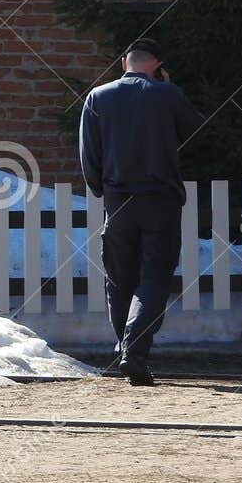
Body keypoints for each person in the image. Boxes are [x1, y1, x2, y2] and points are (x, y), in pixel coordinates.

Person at [78, 38, 203, 385]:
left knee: (118, 279)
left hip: (118, 199)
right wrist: (169, 88)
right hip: (160, 198)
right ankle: (134, 352)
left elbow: (89, 153)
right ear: (157, 65)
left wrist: (102, 190)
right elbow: (195, 131)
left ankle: (125, 349)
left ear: (124, 63)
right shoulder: (168, 95)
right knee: (154, 277)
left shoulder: (98, 97)